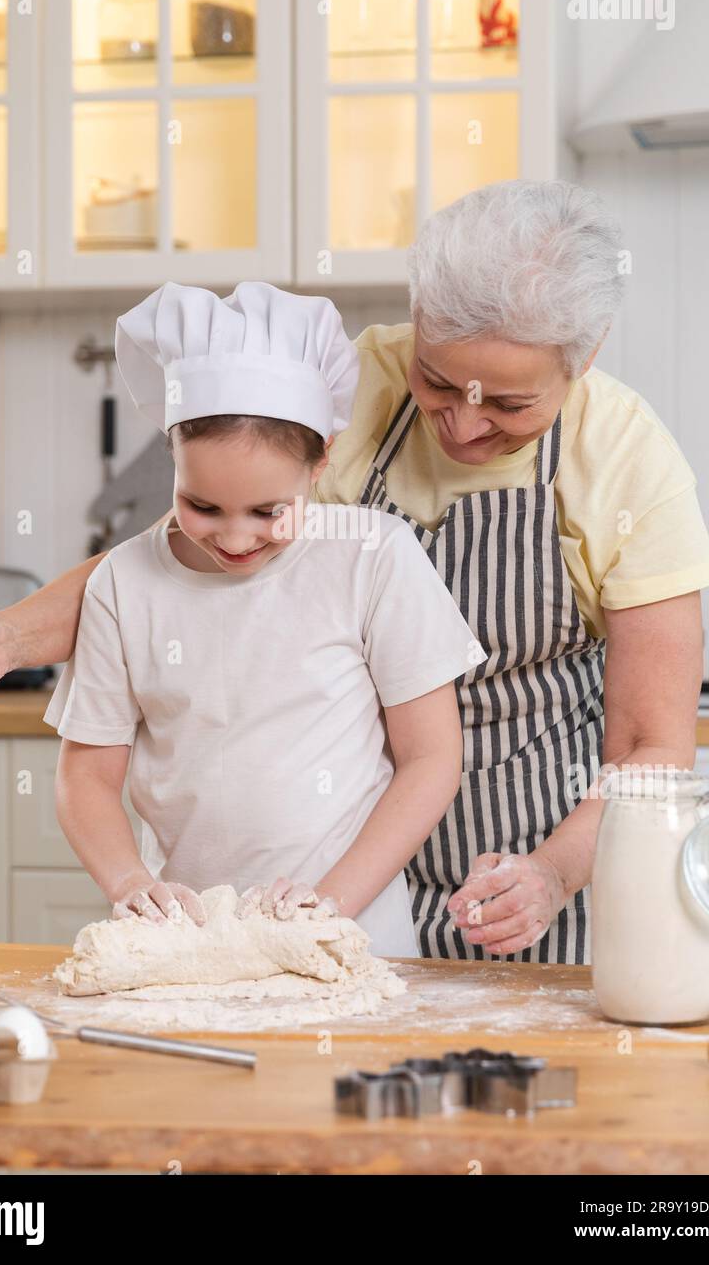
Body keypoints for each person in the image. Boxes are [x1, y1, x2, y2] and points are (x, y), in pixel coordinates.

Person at [0, 182, 709, 965]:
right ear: (417, 317)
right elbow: (163, 561)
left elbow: (654, 744)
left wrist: (552, 873)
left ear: (585, 358)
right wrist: (8, 638)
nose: (465, 425)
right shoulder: (348, 389)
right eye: (438, 381)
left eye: (509, 406)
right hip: (337, 873)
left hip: (534, 869)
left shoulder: (623, 458)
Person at [40, 281, 480, 957]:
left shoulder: (374, 558)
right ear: (172, 459)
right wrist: (127, 880)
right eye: (203, 506)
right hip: (189, 944)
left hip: (353, 936)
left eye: (268, 511)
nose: (237, 538)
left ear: (321, 463)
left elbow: (432, 760)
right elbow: (86, 779)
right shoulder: (123, 585)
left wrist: (328, 905)